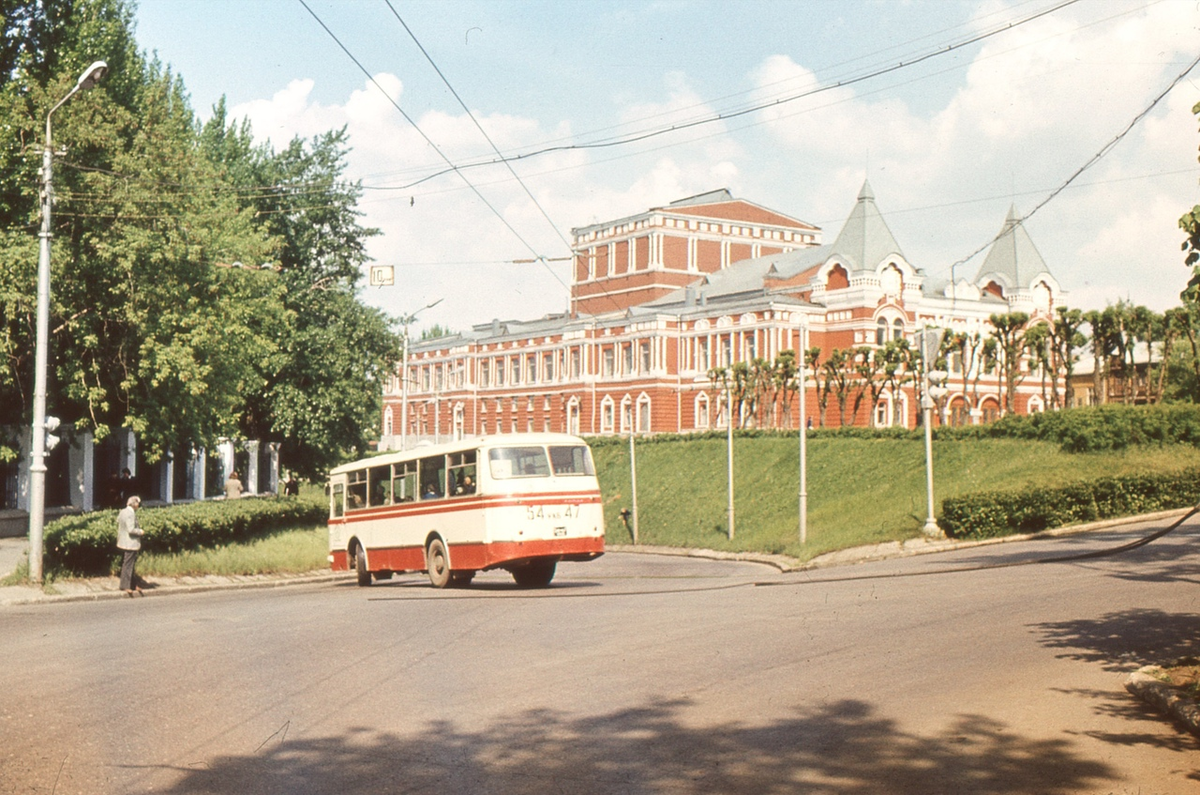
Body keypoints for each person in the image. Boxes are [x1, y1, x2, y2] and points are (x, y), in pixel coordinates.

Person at [116, 496, 144, 596]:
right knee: (128, 564)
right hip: (130, 543)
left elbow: (118, 521)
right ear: (134, 504)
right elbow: (131, 529)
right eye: (138, 503)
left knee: (129, 563)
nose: (138, 505)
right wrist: (140, 532)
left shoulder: (122, 511)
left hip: (123, 541)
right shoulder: (130, 514)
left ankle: (133, 584)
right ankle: (125, 585)